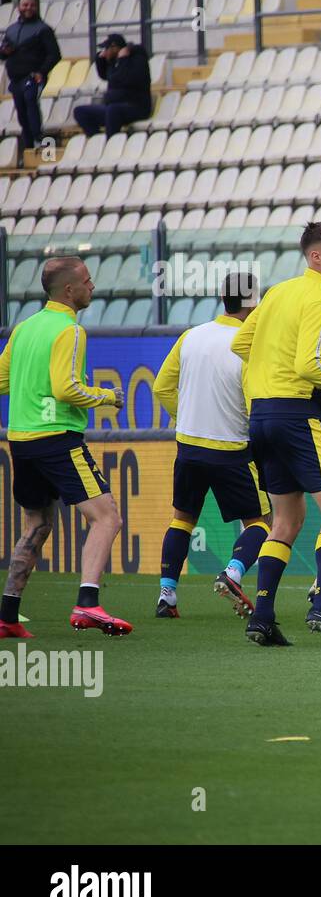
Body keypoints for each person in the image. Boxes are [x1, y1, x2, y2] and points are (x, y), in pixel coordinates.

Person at [230, 223, 321, 647]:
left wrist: (266, 370)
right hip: (295, 414)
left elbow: (241, 343)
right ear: (316, 258)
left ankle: (262, 617)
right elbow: (308, 366)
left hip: (261, 416)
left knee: (286, 522)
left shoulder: (278, 292)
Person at [0, 257, 131, 639]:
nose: (93, 287)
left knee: (37, 524)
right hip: (56, 438)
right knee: (106, 517)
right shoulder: (70, 331)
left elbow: (2, 379)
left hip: (21, 440)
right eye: (88, 282)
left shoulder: (25, 327)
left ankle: (7, 615)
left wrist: (29, 389)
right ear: (70, 290)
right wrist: (106, 396)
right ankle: (88, 604)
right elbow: (66, 388)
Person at [153, 271, 270, 622]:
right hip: (232, 447)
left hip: (188, 445)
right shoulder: (249, 344)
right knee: (262, 522)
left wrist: (186, 416)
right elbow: (254, 401)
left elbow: (161, 388)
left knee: (182, 519)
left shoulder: (191, 336)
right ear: (251, 302)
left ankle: (166, 595)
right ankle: (233, 573)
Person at [1, 0, 60, 150]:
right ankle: (29, 146)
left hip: (33, 76)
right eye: (25, 5)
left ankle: (40, 138)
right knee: (21, 111)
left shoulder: (43, 29)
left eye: (32, 5)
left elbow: (54, 54)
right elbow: (2, 53)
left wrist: (42, 71)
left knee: (30, 100)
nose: (28, 8)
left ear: (36, 7)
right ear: (19, 7)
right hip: (16, 78)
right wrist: (5, 51)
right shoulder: (11, 29)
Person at [73, 32, 152, 138]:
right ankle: (97, 140)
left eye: (106, 49)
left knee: (113, 110)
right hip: (114, 107)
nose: (104, 52)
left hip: (136, 107)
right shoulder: (114, 62)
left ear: (115, 48)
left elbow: (124, 79)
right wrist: (100, 60)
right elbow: (106, 76)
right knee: (80, 112)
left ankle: (110, 144)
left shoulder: (137, 59)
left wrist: (123, 60)